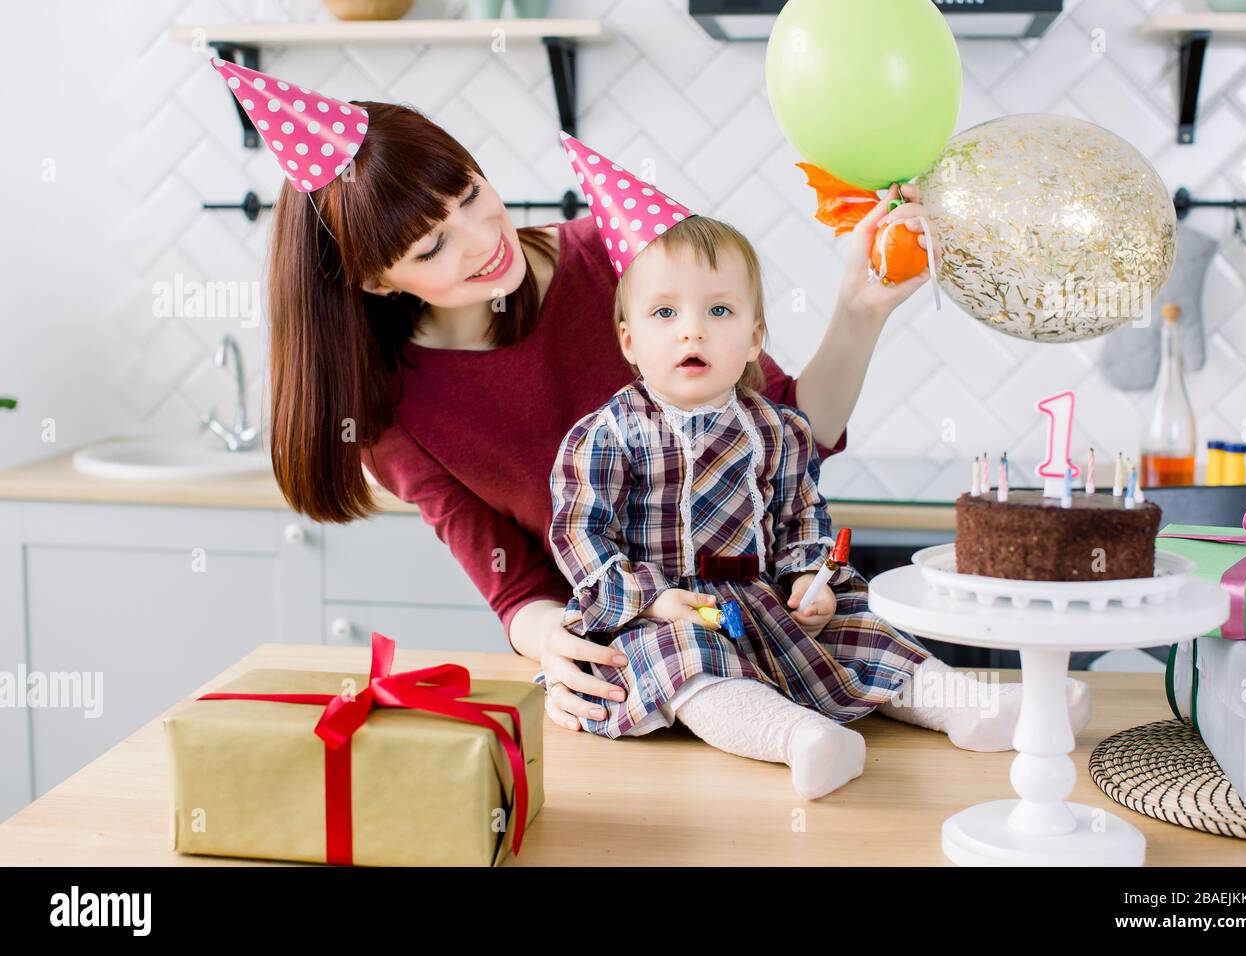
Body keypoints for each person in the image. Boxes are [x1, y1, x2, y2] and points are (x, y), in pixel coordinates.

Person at [211, 57, 937, 735]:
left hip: (770, 611)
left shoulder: (616, 257)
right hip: (645, 666)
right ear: (376, 281)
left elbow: (789, 432)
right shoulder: (395, 418)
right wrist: (551, 643)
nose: (479, 238)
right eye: (430, 248)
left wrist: (860, 310)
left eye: (468, 193)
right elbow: (513, 584)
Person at [543, 138, 1090, 798]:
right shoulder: (605, 436)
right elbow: (582, 539)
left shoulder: (779, 430)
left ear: (752, 337)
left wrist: (812, 580)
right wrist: (653, 598)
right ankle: (799, 739)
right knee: (681, 663)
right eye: (665, 313)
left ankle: (976, 708)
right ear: (629, 340)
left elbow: (804, 521)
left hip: (764, 596)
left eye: (719, 311)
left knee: (861, 629)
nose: (693, 332)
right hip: (664, 609)